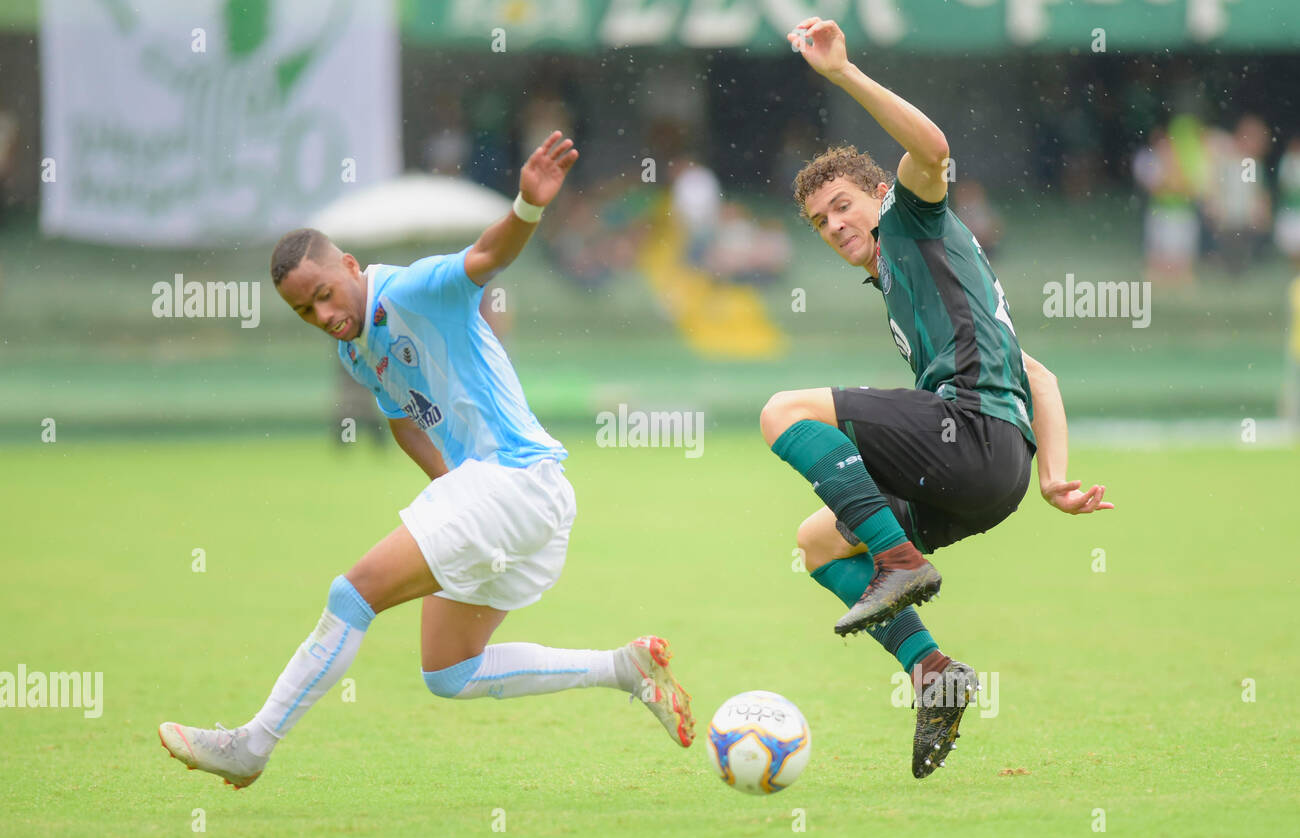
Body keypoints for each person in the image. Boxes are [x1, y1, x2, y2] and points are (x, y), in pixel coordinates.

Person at [159, 132, 694, 789]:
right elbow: (401, 419)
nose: (322, 314)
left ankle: (253, 744)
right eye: (303, 311)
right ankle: (623, 668)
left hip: (518, 481)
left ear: (351, 266)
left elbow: (487, 255)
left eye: (325, 294)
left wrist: (528, 204)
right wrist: (448, 487)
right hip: (508, 498)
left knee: (351, 593)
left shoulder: (413, 291)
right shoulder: (355, 349)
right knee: (450, 672)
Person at [762, 18, 1112, 778]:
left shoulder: (913, 217)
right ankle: (934, 673)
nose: (834, 225)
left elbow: (933, 149)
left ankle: (899, 560)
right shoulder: (913, 280)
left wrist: (843, 75)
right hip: (997, 477)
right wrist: (1052, 478)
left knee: (781, 412)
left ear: (878, 194)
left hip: (973, 436)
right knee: (818, 541)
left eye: (844, 206)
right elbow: (1040, 379)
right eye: (820, 221)